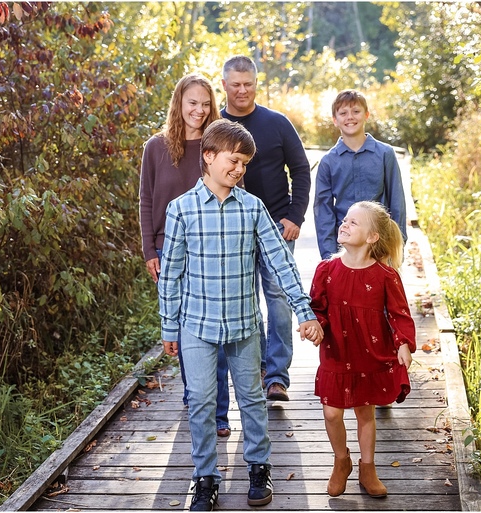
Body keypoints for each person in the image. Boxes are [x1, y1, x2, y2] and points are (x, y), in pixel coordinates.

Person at [158, 119, 324, 511]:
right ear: (209, 156)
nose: (239, 170)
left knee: (251, 399)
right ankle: (205, 477)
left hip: (244, 326)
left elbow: (282, 263)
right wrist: (169, 325)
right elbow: (172, 274)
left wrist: (304, 311)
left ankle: (258, 466)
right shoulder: (181, 210)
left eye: (245, 164)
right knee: (200, 401)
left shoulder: (252, 208)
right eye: (234, 161)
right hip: (196, 327)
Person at [138, 73, 232, 438]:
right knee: (181, 330)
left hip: (209, 249)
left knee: (216, 335)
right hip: (167, 247)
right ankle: (196, 399)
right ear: (179, 103)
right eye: (192, 102)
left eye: (206, 103)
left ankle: (219, 413)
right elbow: (146, 200)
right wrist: (149, 249)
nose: (199, 109)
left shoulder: (216, 149)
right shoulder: (156, 147)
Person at [309, 201, 416, 498]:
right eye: (345, 220)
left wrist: (404, 343)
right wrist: (314, 325)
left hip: (369, 352)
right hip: (336, 350)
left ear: (372, 237)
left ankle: (368, 468)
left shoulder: (385, 275)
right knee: (332, 413)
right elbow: (316, 307)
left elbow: (399, 314)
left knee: (364, 411)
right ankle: (341, 461)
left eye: (353, 222)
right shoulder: (326, 270)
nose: (344, 224)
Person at [220, 55, 312, 402]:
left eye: (248, 84)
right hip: (232, 229)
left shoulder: (277, 123)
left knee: (277, 298)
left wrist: (295, 216)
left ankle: (277, 376)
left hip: (276, 224)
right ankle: (255, 368)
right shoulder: (217, 126)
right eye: (236, 84)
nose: (242, 90)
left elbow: (301, 169)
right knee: (244, 301)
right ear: (224, 84)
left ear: (256, 84)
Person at [314, 89, 407, 261]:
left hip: (380, 243)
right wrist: (328, 256)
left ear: (366, 115)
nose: (350, 117)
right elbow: (323, 211)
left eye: (356, 111)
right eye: (343, 113)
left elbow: (397, 202)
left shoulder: (385, 154)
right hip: (344, 249)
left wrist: (398, 245)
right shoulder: (328, 161)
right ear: (335, 120)